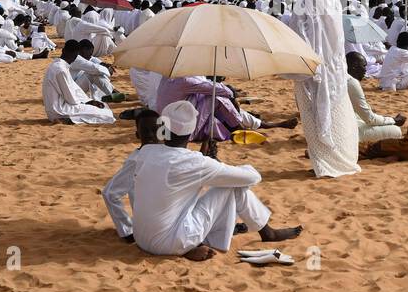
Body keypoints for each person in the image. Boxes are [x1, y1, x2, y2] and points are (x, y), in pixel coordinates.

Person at [123, 100, 301, 260]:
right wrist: (214, 163)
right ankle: (267, 232)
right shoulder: (195, 162)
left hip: (141, 238)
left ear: (163, 128)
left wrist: (206, 162)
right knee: (234, 186)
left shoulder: (146, 152)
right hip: (170, 242)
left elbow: (177, 168)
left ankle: (199, 242)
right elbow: (253, 177)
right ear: (191, 132)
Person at [289, 0, 360, 178]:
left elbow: (297, 38)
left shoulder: (302, 4)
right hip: (335, 70)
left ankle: (325, 163)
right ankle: (344, 159)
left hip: (310, 69)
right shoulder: (335, 2)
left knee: (313, 115)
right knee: (338, 112)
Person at [101, 108, 164, 243]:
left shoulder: (169, 154)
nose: (151, 135)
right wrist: (126, 230)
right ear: (137, 135)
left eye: (154, 130)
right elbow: (109, 194)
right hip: (152, 227)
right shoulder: (136, 161)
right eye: (145, 132)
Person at [42, 41, 115, 124]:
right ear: (76, 55)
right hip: (59, 110)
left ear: (63, 50)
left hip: (56, 108)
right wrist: (86, 104)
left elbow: (73, 88)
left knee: (102, 109)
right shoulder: (61, 70)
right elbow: (70, 98)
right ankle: (68, 120)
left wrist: (89, 101)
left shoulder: (57, 65)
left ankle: (71, 118)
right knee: (106, 115)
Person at [346, 52, 404, 143]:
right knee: (396, 130)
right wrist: (393, 120)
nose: (365, 70)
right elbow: (370, 119)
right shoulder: (351, 82)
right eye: (364, 66)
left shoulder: (340, 78)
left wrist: (386, 119)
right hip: (351, 132)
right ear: (354, 67)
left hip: (352, 123)